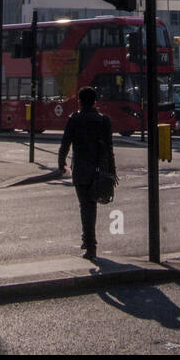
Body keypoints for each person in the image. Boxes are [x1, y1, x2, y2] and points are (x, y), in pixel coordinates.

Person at [57, 86, 116, 261]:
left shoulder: (74, 119)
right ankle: (88, 240)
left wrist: (61, 163)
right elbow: (109, 148)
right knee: (91, 206)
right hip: (99, 170)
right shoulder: (104, 121)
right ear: (95, 102)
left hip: (81, 170)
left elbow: (65, 143)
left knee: (86, 206)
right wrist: (112, 171)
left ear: (80, 101)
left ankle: (90, 245)